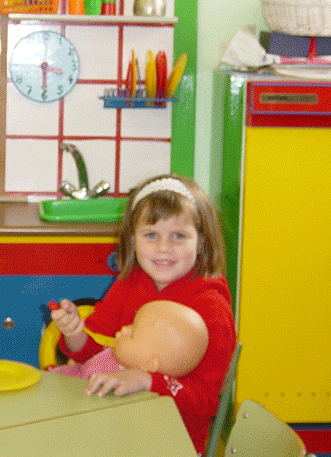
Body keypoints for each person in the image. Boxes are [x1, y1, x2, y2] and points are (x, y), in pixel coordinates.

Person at [50, 173, 236, 454]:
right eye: (151, 235)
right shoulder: (132, 281)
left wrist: (146, 379)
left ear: (201, 241)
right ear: (133, 240)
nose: (164, 247)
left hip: (171, 441)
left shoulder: (211, 307)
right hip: (117, 421)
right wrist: (75, 333)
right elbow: (99, 358)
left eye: (178, 235)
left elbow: (206, 402)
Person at [49, 300, 209, 380]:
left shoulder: (132, 389)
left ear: (149, 364)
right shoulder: (118, 353)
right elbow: (91, 353)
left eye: (132, 334)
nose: (124, 329)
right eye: (132, 324)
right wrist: (73, 332)